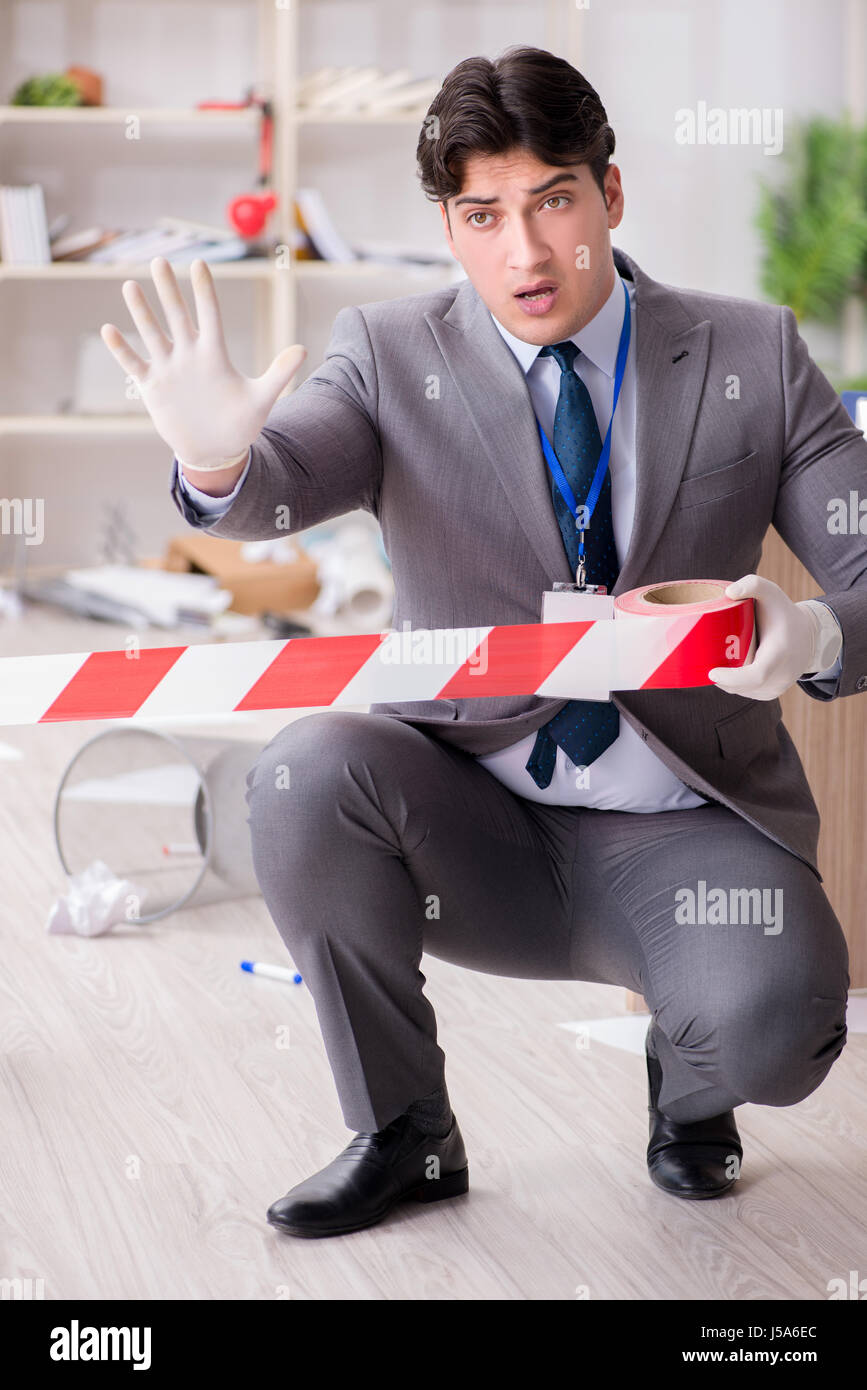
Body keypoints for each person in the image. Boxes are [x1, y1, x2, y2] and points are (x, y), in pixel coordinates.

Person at [101, 45, 863, 1240]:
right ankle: (405, 1128)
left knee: (779, 1026)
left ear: (611, 194)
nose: (525, 253)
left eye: (554, 200)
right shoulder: (388, 351)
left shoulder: (749, 355)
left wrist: (810, 626)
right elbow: (283, 479)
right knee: (303, 772)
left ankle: (692, 1072)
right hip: (470, 819)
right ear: (448, 226)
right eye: (482, 214)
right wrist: (215, 464)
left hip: (685, 825)